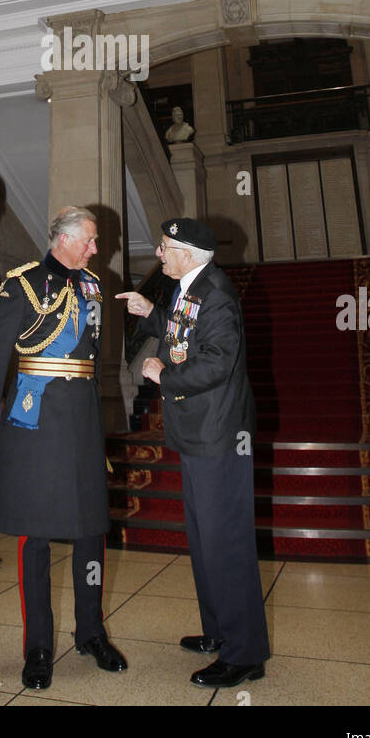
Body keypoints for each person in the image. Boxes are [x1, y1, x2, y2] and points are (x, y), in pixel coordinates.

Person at [117, 217, 269, 689]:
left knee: (226, 542)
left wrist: (165, 376)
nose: (158, 253)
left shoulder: (218, 293)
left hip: (218, 435)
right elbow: (187, 332)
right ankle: (218, 631)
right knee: (204, 540)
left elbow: (218, 360)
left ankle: (245, 653)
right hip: (197, 431)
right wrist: (150, 313)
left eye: (165, 247)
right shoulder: (191, 286)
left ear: (187, 253)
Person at [0, 207, 127, 692]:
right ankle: (38, 646)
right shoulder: (21, 283)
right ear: (63, 239)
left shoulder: (92, 286)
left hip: (81, 418)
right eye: (88, 240)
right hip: (34, 416)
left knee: (89, 527)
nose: (95, 248)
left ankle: (91, 633)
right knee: (36, 533)